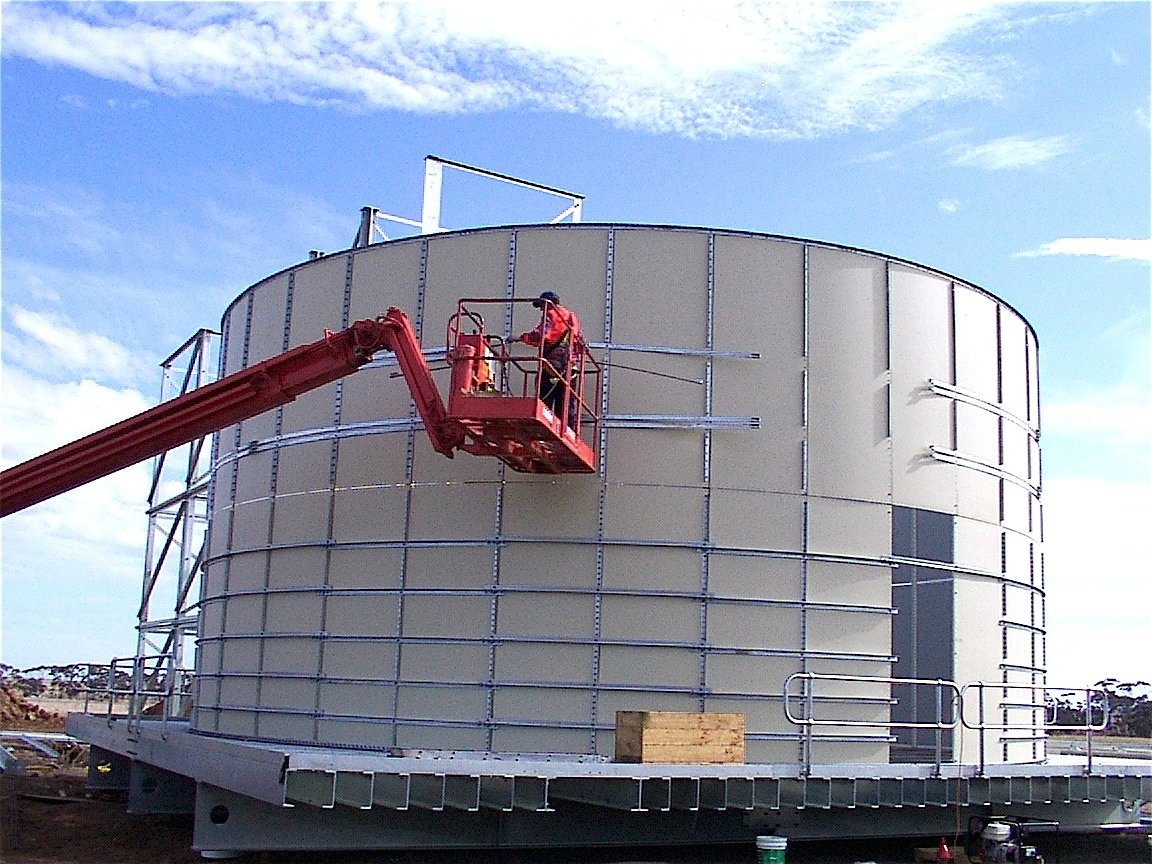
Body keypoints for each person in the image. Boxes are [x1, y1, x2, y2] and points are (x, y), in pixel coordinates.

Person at [513, 291, 583, 424]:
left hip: (551, 366)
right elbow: (582, 345)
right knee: (566, 406)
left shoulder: (550, 315)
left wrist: (522, 338)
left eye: (541, 305)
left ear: (548, 304)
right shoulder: (571, 317)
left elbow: (539, 336)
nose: (541, 309)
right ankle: (567, 430)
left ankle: (542, 427)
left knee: (545, 404)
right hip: (569, 370)